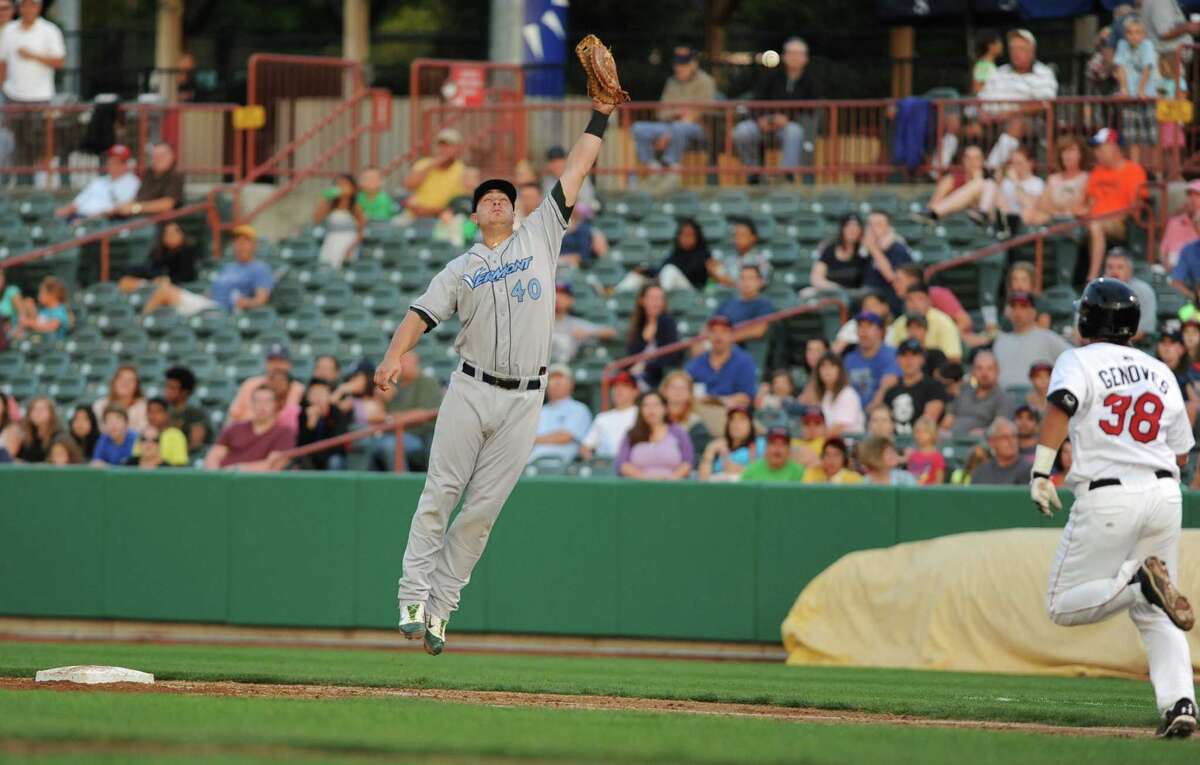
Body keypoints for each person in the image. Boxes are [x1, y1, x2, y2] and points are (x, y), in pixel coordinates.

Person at [372, 93, 615, 656]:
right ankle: (411, 595)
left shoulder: (541, 236)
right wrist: (393, 356)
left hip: (526, 397)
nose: (499, 203)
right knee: (441, 494)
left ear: (517, 208)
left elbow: (577, 165)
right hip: (472, 388)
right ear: (475, 215)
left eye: (506, 197)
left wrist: (600, 114)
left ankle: (440, 609)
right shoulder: (459, 268)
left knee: (481, 512)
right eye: (489, 199)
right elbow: (419, 315)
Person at [1029, 278, 1197, 739]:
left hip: (1109, 494)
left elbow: (1062, 404)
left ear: (1086, 319)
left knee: (1062, 604)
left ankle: (1140, 584)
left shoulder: (1077, 359)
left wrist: (1042, 472)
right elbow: (1182, 453)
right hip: (1164, 492)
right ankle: (1180, 704)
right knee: (1159, 614)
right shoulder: (1160, 370)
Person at [733, 37, 819, 183]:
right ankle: (754, 173)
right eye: (791, 53)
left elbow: (811, 109)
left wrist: (787, 119)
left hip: (789, 125)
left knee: (794, 131)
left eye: (798, 54)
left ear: (805, 59)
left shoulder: (811, 82)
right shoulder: (770, 77)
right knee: (741, 131)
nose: (794, 57)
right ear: (784, 56)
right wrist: (761, 119)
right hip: (763, 123)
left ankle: (785, 175)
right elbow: (755, 101)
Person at [141, 225, 273, 317]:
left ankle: (140, 324)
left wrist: (245, 302)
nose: (240, 246)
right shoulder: (229, 266)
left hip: (222, 312)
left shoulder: (259, 268)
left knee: (164, 291)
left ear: (253, 245)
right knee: (163, 293)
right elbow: (213, 291)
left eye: (245, 242)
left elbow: (261, 300)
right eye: (237, 242)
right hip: (209, 306)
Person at [0, 0, 64, 180]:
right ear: (19, 8)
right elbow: (2, 63)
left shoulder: (49, 30)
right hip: (13, 96)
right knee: (15, 145)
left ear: (38, 7)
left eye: (32, 5)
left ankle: (35, 189)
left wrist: (33, 56)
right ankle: (20, 186)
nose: (27, 9)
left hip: (40, 97)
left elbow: (59, 61)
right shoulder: (9, 31)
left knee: (38, 146)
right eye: (24, 5)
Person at [631, 46, 716, 172]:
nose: (678, 69)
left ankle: (670, 162)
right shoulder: (672, 81)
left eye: (682, 65)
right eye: (676, 65)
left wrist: (675, 120)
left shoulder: (706, 81)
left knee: (679, 128)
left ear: (692, 65)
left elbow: (703, 111)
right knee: (637, 128)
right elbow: (661, 111)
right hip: (670, 125)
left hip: (697, 128)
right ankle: (650, 163)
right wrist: (678, 113)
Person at [1081, 128, 1147, 282]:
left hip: (1120, 222)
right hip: (1094, 219)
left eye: (1100, 148)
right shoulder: (1097, 171)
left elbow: (1135, 205)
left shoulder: (1133, 170)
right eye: (1096, 149)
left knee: (1095, 225)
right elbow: (1090, 200)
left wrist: (1106, 217)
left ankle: (1092, 277)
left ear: (1114, 147)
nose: (1096, 152)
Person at [375, 351, 442, 472]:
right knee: (367, 444)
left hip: (420, 436)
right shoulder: (393, 383)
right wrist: (378, 396)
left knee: (391, 445)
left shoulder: (427, 382)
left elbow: (422, 414)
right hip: (392, 433)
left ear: (416, 363)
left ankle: (401, 486)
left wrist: (389, 418)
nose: (401, 365)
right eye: (399, 361)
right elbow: (374, 415)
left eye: (405, 361)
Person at [204, 385, 295, 471]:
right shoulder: (234, 428)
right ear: (251, 403)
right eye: (258, 401)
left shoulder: (284, 432)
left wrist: (238, 469)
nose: (262, 406)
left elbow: (274, 465)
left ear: (275, 404)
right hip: (224, 480)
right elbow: (213, 455)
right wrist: (217, 475)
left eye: (267, 401)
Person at [992, 292, 1071, 389]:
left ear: (1033, 312)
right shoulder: (1000, 341)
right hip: (1004, 398)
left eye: (1023, 307)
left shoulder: (1047, 337)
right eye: (1014, 307)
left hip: (1036, 397)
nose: (1018, 311)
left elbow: (1074, 360)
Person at [615, 391, 694, 480]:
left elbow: (687, 462)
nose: (651, 410)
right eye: (646, 406)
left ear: (665, 408)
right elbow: (622, 464)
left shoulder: (679, 432)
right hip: (638, 486)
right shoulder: (631, 434)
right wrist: (646, 478)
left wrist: (671, 480)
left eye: (656, 405)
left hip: (673, 487)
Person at [685, 314, 758, 410]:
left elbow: (746, 397)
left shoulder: (744, 361)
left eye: (724, 331)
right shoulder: (697, 363)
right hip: (702, 413)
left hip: (732, 415)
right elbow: (685, 391)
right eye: (713, 331)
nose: (718, 336)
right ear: (707, 335)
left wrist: (715, 401)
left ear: (732, 335)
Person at [226, 343, 305, 426]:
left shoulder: (297, 388)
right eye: (272, 361)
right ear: (266, 364)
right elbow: (233, 415)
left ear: (289, 365)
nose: (276, 365)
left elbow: (288, 420)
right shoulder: (250, 383)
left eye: (280, 361)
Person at [53, 145, 140, 220]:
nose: (112, 164)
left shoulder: (133, 183)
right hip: (77, 218)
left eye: (117, 162)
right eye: (111, 161)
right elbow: (76, 204)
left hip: (100, 223)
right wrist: (60, 213)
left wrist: (88, 220)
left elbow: (121, 210)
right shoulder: (99, 181)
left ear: (125, 165)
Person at [527, 365, 592, 465]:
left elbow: (566, 437)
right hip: (531, 461)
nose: (556, 382)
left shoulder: (579, 409)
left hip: (563, 465)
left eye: (560, 378)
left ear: (571, 384)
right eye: (553, 378)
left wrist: (534, 440)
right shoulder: (539, 410)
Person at [1114, 19, 1157, 167]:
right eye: (1130, 32)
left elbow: (1147, 68)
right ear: (1125, 34)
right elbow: (1121, 68)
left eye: (1137, 32)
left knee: (1152, 137)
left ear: (1143, 34)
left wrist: (1141, 90)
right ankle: (1135, 171)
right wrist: (1124, 89)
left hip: (1148, 95)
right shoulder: (1122, 45)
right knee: (1132, 138)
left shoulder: (1147, 45)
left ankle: (1155, 173)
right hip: (1130, 98)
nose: (1134, 36)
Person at [886, 279, 962, 363]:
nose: (915, 304)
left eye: (920, 299)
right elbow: (891, 357)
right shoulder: (899, 323)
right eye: (910, 300)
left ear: (929, 301)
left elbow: (954, 359)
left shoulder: (944, 322)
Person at [942, 350, 1012, 440]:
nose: (984, 373)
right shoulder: (964, 392)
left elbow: (1001, 427)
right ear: (973, 372)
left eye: (989, 369)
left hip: (980, 444)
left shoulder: (1003, 397)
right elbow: (948, 420)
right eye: (979, 368)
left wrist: (984, 432)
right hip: (953, 439)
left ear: (997, 371)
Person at [884, 340, 948, 436]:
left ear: (922, 359)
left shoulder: (934, 387)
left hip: (921, 444)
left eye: (914, 355)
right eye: (904, 355)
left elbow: (928, 424)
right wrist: (882, 389)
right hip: (893, 443)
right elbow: (880, 420)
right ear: (897, 359)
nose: (909, 360)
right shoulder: (891, 388)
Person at [913, 144, 989, 225]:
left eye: (976, 158)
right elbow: (932, 206)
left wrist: (977, 178)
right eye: (968, 158)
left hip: (982, 225)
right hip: (952, 222)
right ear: (963, 160)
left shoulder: (989, 183)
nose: (972, 162)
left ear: (982, 161)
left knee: (986, 184)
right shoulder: (951, 180)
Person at [625, 283, 681, 389]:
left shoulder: (667, 322)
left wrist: (646, 366)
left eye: (660, 298)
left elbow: (670, 357)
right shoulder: (638, 325)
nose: (656, 302)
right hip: (636, 379)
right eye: (652, 298)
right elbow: (631, 356)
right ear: (642, 300)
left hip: (658, 380)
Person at [1026, 134, 1090, 227]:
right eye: (1063, 151)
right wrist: (1057, 212)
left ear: (1081, 154)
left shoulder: (1087, 178)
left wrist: (1061, 211)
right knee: (1031, 214)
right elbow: (1043, 204)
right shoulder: (1053, 179)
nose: (1067, 155)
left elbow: (1080, 206)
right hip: (1053, 219)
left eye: (1071, 150)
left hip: (1075, 222)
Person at [118, 221, 199, 294]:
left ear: (182, 234)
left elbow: (188, 275)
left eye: (174, 233)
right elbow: (150, 269)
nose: (170, 237)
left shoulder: (188, 251)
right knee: (126, 282)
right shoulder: (159, 251)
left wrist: (169, 279)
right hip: (155, 284)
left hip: (178, 289)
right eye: (167, 234)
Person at [843, 311, 901, 410]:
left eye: (869, 326)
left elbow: (886, 387)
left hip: (882, 414)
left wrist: (869, 412)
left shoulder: (892, 354)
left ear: (880, 331)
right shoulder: (849, 359)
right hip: (854, 415)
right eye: (860, 326)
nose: (863, 331)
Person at [402, 127, 466, 217]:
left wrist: (429, 211)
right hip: (414, 214)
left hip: (443, 217)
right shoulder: (424, 163)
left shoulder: (462, 170)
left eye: (449, 145)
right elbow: (409, 185)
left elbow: (458, 202)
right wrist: (431, 166)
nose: (444, 149)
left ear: (458, 148)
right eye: (441, 145)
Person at [113, 143, 185, 218]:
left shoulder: (175, 175)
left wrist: (135, 208)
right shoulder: (150, 173)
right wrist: (124, 206)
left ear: (171, 156)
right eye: (154, 156)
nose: (158, 159)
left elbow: (167, 204)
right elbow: (139, 195)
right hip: (138, 217)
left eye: (162, 156)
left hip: (158, 220)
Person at [295, 378, 353, 471]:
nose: (318, 398)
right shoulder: (304, 414)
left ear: (328, 395)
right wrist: (310, 426)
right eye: (314, 394)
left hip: (331, 456)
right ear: (308, 397)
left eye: (321, 393)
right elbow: (301, 445)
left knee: (335, 461)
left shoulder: (336, 413)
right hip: (311, 457)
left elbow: (338, 443)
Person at [580, 371, 638, 462]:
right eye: (615, 386)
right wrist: (594, 462)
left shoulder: (642, 415)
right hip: (605, 467)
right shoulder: (602, 418)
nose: (619, 390)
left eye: (625, 386)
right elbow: (585, 447)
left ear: (635, 392)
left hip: (632, 465)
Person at [550, 282, 615, 364]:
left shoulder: (575, 323)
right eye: (556, 293)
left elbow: (610, 332)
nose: (558, 298)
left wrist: (588, 333)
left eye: (563, 295)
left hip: (565, 368)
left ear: (571, 301)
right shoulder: (541, 323)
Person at [861, 210, 912, 315]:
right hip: (868, 294)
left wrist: (873, 248)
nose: (873, 229)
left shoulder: (898, 248)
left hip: (891, 297)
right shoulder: (865, 249)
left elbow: (892, 277)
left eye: (878, 224)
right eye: (870, 225)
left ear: (888, 227)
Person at [1103, 248, 1156, 341]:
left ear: (1130, 270)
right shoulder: (1095, 290)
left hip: (1132, 347)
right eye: (1110, 267)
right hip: (1097, 347)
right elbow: (1079, 329)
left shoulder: (1144, 291)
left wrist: (1111, 342)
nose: (1114, 272)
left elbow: (1142, 330)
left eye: (1120, 267)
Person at [314, 173, 365, 268]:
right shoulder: (330, 206)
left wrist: (350, 249)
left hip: (348, 244)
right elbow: (317, 219)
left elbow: (361, 232)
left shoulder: (356, 208)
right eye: (339, 185)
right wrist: (325, 199)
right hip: (331, 243)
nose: (342, 188)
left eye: (345, 184)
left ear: (353, 188)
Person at [697, 404, 760, 481]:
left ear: (751, 424)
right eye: (732, 419)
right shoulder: (717, 446)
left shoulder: (760, 444)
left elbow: (768, 473)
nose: (736, 423)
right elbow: (702, 479)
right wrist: (710, 450)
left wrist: (742, 470)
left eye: (742, 419)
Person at [716, 265, 775, 343]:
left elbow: (758, 330)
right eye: (742, 278)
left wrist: (725, 339)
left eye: (751, 278)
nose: (746, 282)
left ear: (759, 282)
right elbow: (709, 325)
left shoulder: (764, 305)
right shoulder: (728, 302)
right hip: (717, 344)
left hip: (740, 348)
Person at [810, 213, 866, 292]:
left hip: (856, 296)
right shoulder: (830, 250)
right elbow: (816, 278)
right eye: (848, 226)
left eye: (856, 226)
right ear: (842, 229)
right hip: (833, 293)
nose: (852, 230)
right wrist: (837, 289)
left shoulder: (864, 251)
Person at [813, 352, 865, 435]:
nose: (827, 370)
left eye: (832, 366)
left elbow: (839, 427)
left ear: (839, 370)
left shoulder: (847, 394)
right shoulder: (825, 395)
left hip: (848, 443)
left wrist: (818, 441)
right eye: (823, 366)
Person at [131, 398, 189, 467]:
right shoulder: (143, 433)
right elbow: (136, 459)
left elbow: (180, 465)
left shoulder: (177, 435)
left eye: (158, 411)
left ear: (167, 414)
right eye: (150, 411)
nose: (153, 415)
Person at [163, 366, 208, 455]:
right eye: (166, 386)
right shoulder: (164, 410)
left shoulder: (196, 414)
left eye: (172, 388)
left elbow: (195, 444)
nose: (166, 391)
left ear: (184, 392)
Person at [969, 417, 1028, 484]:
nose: (1011, 441)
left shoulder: (1029, 471)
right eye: (1005, 437)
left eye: (1014, 436)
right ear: (992, 442)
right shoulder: (981, 472)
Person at [1142, 0, 1198, 71]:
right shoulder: (1161, 2)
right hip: (1166, 61)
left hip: (1170, 58)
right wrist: (1188, 27)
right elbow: (1164, 33)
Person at [541, 145, 598, 212]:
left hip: (580, 217)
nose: (556, 165)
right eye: (552, 162)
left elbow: (587, 204)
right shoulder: (547, 181)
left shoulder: (579, 176)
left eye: (559, 161)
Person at [92, 365, 148, 433]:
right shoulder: (99, 406)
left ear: (137, 386)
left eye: (131, 380)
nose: (125, 383)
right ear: (114, 382)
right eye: (121, 378)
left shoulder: (144, 407)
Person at [740, 426, 805, 483]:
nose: (777, 448)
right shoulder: (751, 471)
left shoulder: (799, 472)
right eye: (773, 443)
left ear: (789, 449)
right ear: (766, 447)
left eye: (783, 444)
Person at [13, 274, 68, 341]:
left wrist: (29, 322)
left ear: (53, 294)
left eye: (42, 292)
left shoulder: (59, 311)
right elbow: (38, 322)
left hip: (55, 347)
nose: (39, 295)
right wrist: (31, 310)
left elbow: (51, 327)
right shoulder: (44, 310)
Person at [1160, 179, 1200, 269]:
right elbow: (1163, 251)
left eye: (1197, 196)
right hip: (1173, 269)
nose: (1192, 199)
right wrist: (1167, 265)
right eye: (1190, 195)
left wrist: (1197, 222)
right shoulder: (1174, 221)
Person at [14, 395, 59, 463]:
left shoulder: (58, 436)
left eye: (42, 409)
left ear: (51, 413)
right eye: (34, 409)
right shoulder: (23, 435)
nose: (37, 413)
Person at [908, 417, 945, 485]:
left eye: (925, 431)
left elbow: (939, 481)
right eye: (917, 431)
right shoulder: (912, 455)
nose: (920, 434)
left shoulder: (937, 456)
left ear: (933, 433)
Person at [972, 30, 1003, 94]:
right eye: (999, 42)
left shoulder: (988, 64)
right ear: (990, 46)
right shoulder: (983, 66)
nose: (1001, 45)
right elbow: (978, 89)